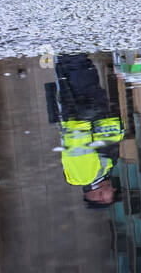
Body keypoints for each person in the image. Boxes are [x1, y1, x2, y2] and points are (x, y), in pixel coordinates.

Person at [52, 54, 123, 206]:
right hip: (92, 111)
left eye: (113, 194)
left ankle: (70, 42)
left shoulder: (84, 177)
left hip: (82, 111)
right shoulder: (101, 172)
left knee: (76, 66)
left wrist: (81, 117)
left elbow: (78, 146)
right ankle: (72, 46)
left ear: (101, 197)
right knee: (80, 68)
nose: (114, 189)